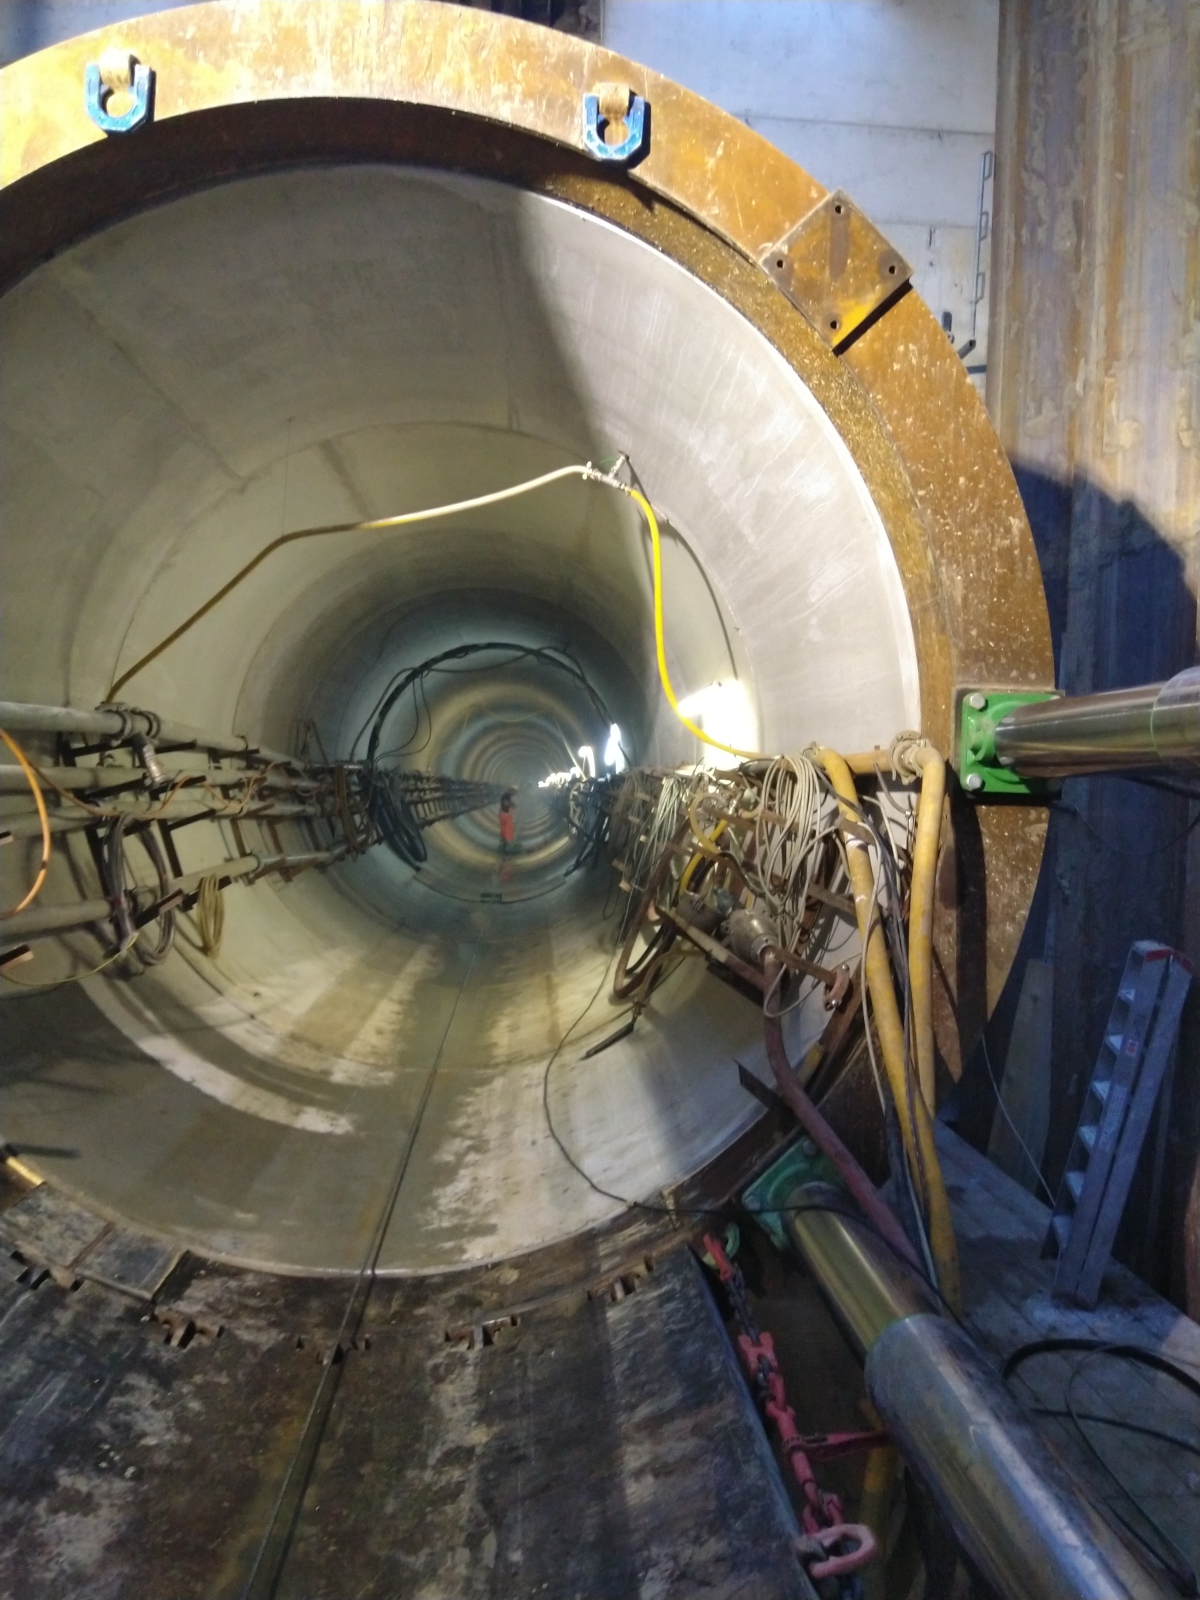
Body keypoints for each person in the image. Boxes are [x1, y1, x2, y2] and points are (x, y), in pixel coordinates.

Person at [498, 790, 516, 854]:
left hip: (502, 814)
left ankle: (504, 843)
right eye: (514, 792)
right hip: (505, 815)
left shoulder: (505, 795)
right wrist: (511, 805)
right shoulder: (507, 796)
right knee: (507, 829)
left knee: (504, 829)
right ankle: (507, 846)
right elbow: (506, 804)